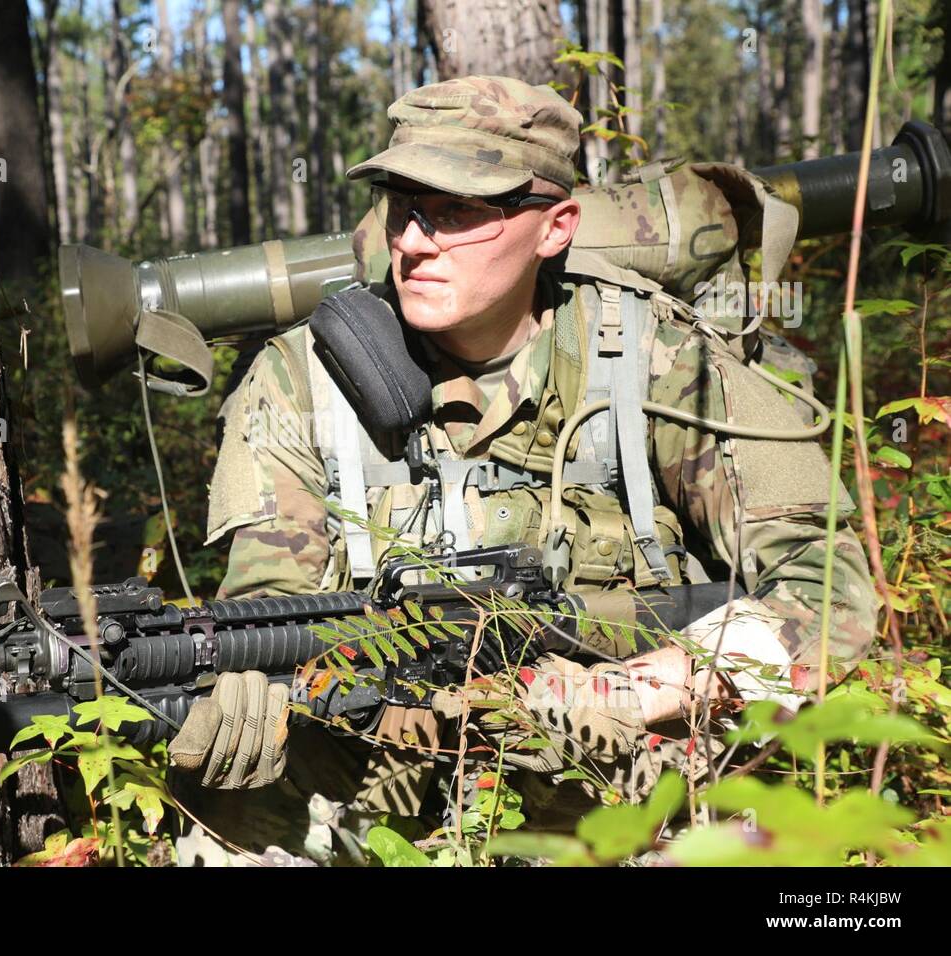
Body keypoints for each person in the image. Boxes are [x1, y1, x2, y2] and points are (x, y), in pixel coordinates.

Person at [167, 75, 877, 864]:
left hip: (623, 785)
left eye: (457, 212)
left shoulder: (654, 358)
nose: (412, 241)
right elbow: (272, 601)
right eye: (402, 207)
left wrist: (629, 691)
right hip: (377, 790)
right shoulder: (304, 378)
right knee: (216, 820)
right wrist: (250, 687)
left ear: (554, 226)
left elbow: (830, 596)